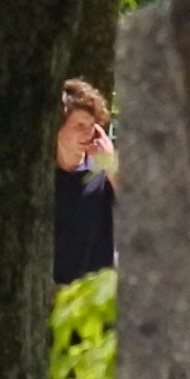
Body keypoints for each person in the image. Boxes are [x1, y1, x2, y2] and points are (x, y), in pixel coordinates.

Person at [53, 80, 118, 288]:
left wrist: (111, 166)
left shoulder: (101, 174)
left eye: (91, 126)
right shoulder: (42, 180)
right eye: (79, 126)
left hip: (91, 305)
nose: (87, 133)